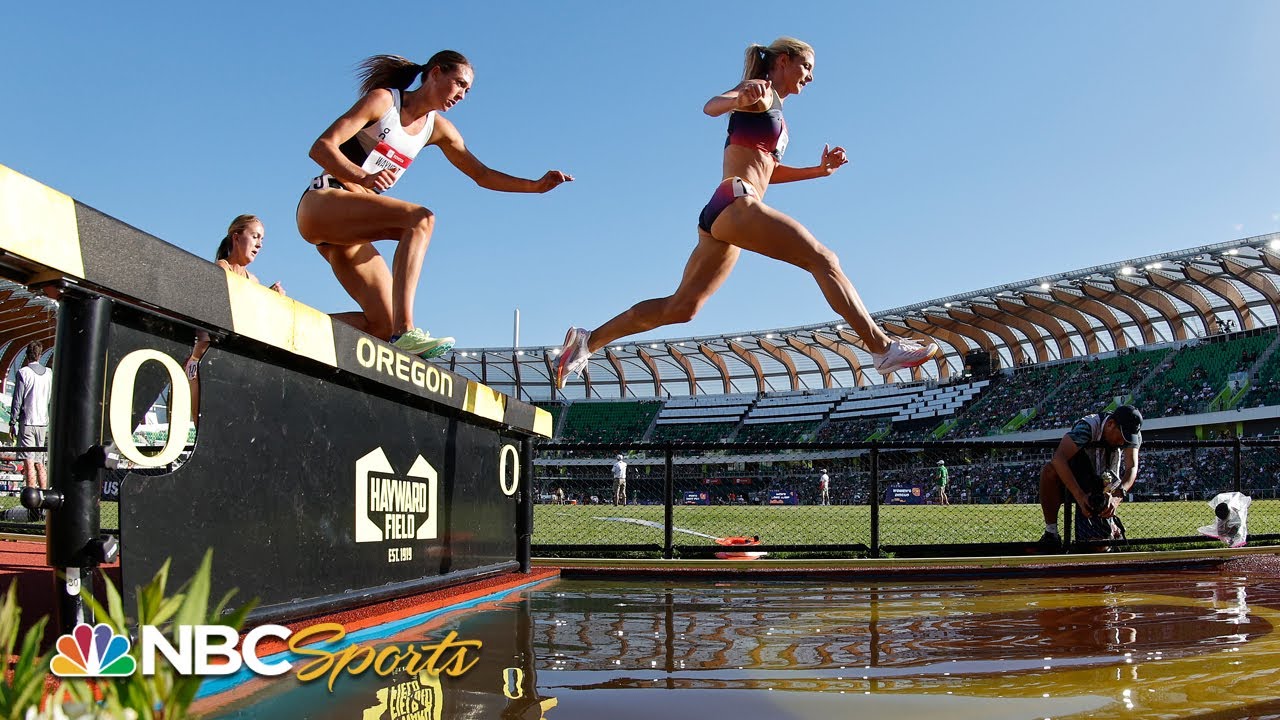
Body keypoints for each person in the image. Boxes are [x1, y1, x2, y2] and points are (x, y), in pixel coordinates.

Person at [553, 37, 936, 388]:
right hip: (738, 201)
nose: (811, 77)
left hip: (726, 211)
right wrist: (735, 99)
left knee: (682, 307)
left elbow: (768, 171)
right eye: (807, 67)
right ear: (783, 61)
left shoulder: (778, 114)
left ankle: (588, 342)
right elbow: (710, 106)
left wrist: (819, 171)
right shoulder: (762, 92)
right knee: (824, 259)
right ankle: (882, 347)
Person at [297, 52, 572, 358]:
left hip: (348, 235)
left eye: (467, 91)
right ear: (435, 73)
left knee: (379, 326)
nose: (462, 95)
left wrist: (534, 186)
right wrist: (363, 175)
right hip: (323, 203)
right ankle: (406, 331)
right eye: (459, 84)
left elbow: (480, 174)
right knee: (421, 219)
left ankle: (289, 329)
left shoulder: (438, 129)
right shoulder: (384, 102)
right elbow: (321, 147)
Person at [184, 215, 285, 423]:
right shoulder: (221, 269)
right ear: (236, 237)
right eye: (255, 236)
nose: (259, 244)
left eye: (262, 240)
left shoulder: (253, 280)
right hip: (203, 360)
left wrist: (272, 299)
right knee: (204, 421)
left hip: (232, 361)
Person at [1036, 405, 1143, 552]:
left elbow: (1132, 467)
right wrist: (1079, 496)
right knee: (1049, 471)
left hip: (1104, 484)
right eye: (1120, 436)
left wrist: (1117, 497)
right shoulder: (1087, 427)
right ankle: (1051, 533)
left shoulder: (1131, 433)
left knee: (1099, 546)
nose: (1122, 443)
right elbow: (1059, 459)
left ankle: (1109, 528)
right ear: (1110, 424)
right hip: (1078, 477)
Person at [10, 341, 52, 518]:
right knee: (40, 462)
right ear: (41, 355)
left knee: (28, 462)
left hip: (28, 421)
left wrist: (12, 421)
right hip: (43, 422)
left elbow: (17, 399)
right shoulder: (49, 373)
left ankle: (32, 502)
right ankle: (44, 500)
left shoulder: (23, 372)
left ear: (27, 355)